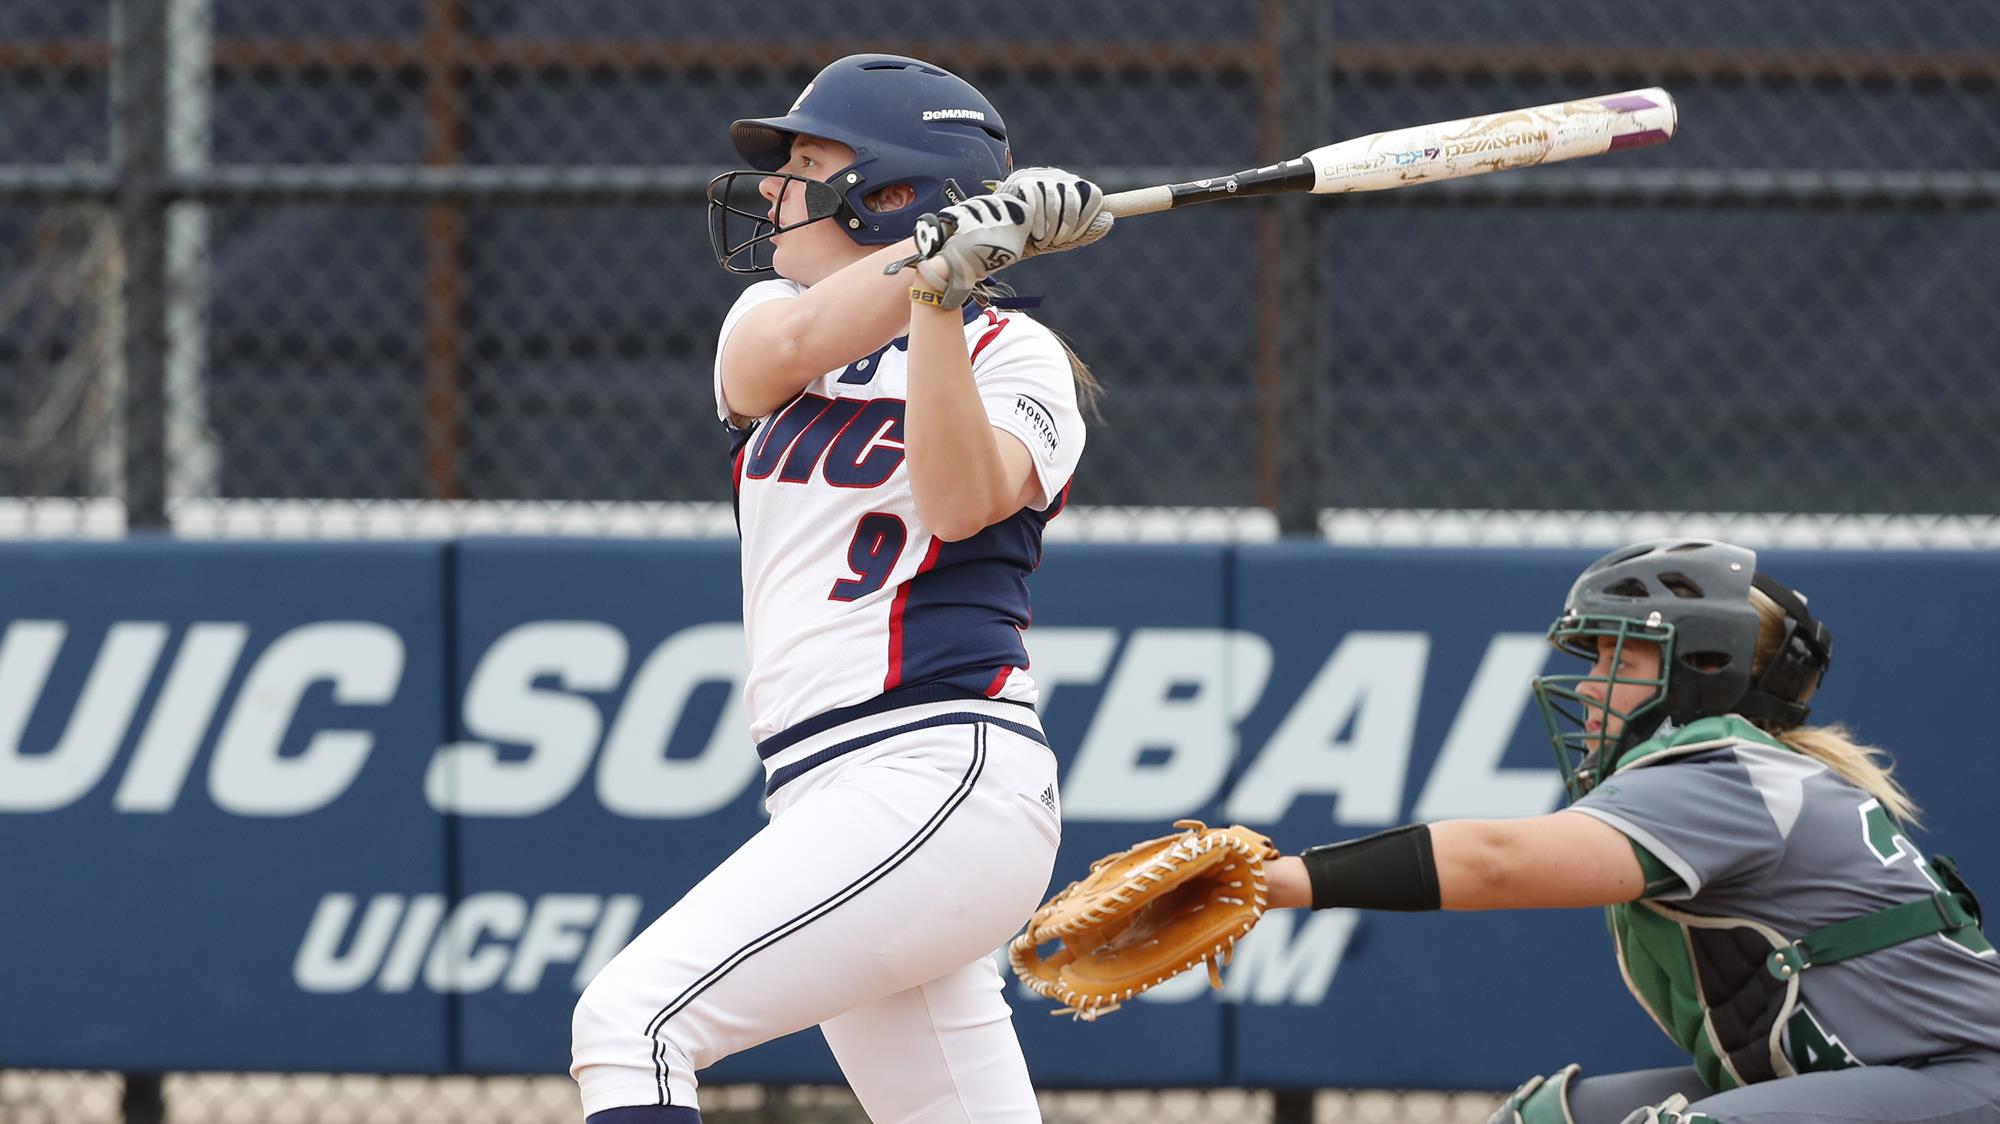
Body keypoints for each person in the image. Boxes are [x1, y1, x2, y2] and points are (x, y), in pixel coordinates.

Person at [567, 54, 1113, 1124]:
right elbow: (786, 350)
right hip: (827, 790)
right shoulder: (771, 317)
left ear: (892, 191)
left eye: (809, 164)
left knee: (634, 1023)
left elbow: (959, 502)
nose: (776, 190)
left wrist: (943, 299)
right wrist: (937, 255)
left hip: (938, 768)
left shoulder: (1017, 354)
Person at [1259, 539, 2000, 1124]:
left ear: (1703, 669)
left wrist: (1274, 881)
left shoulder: (1725, 771)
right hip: (1889, 1081)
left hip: (1963, 1084)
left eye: (1622, 655)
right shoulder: (1745, 770)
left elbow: (1495, 862)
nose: (1590, 683)